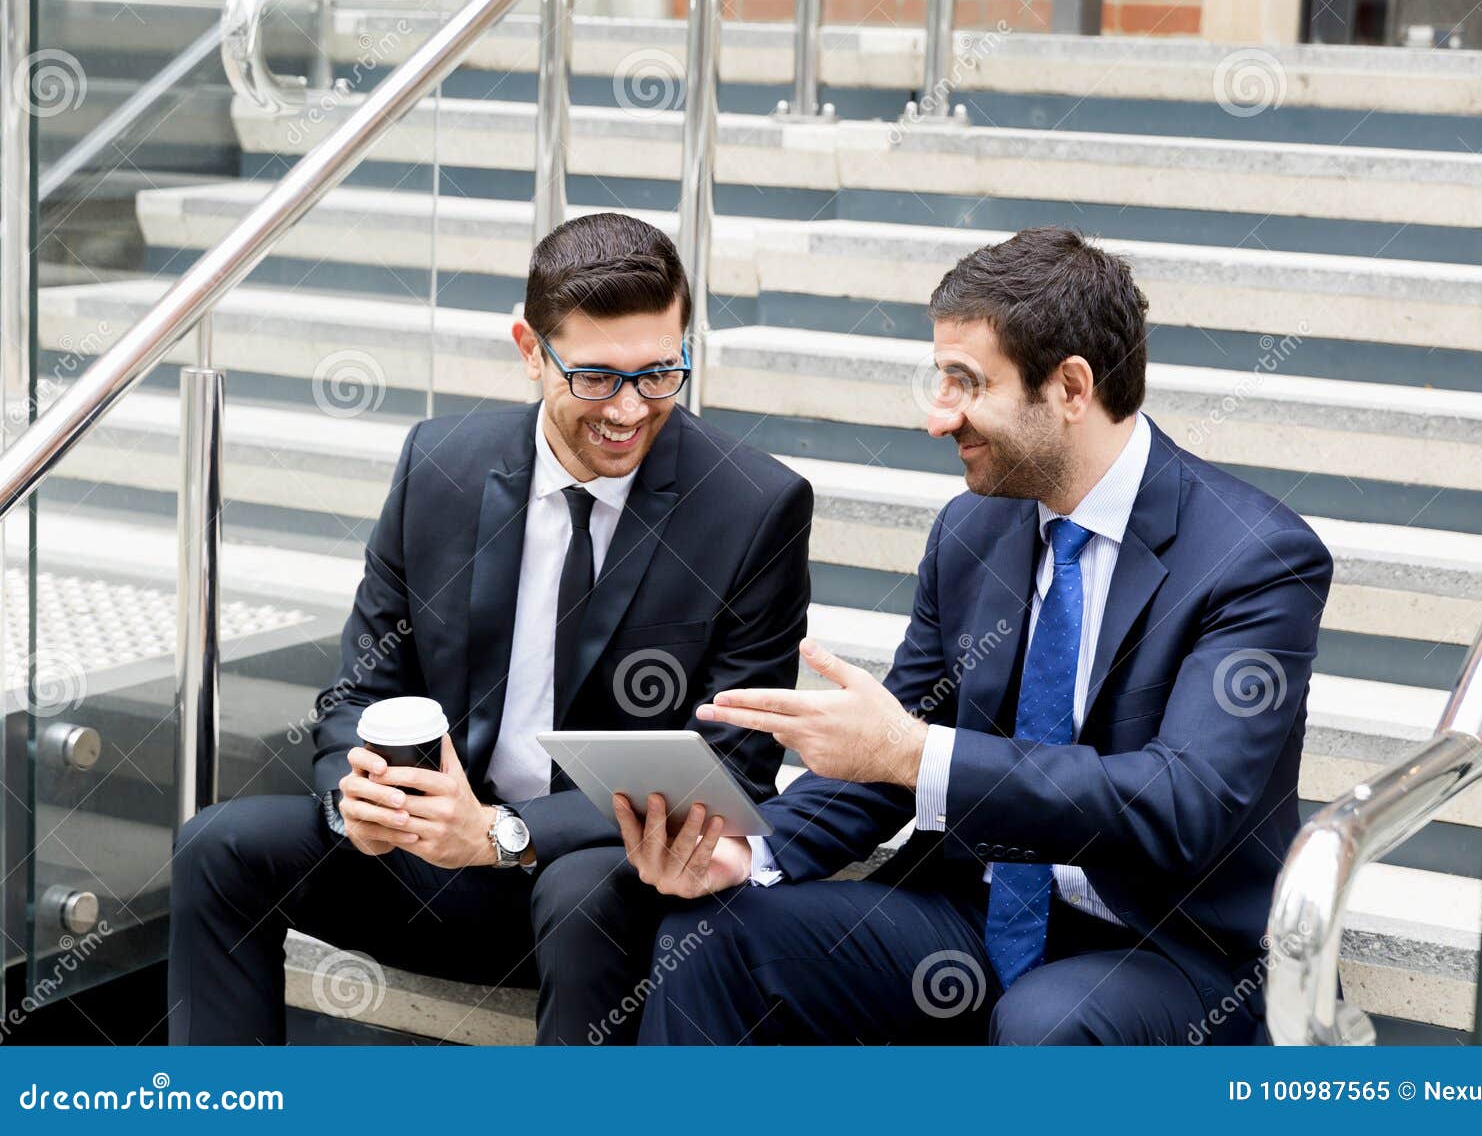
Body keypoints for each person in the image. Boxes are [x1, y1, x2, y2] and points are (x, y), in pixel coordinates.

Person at [619, 226, 1334, 1046]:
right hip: (980, 912)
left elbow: (1183, 804)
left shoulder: (1255, 557)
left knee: (1045, 1026)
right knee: (711, 941)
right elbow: (889, 755)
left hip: (1174, 946)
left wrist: (916, 754)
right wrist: (751, 855)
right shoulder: (972, 532)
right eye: (939, 379)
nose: (937, 417)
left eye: (965, 382)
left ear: (1070, 386)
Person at [168, 212, 812, 1046]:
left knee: (581, 896)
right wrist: (354, 795)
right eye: (595, 377)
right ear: (528, 349)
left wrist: (505, 836)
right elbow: (360, 689)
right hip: (433, 853)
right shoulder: (440, 464)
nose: (630, 409)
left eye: (660, 372)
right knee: (216, 845)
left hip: (603, 880)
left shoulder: (756, 506)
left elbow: (735, 767)